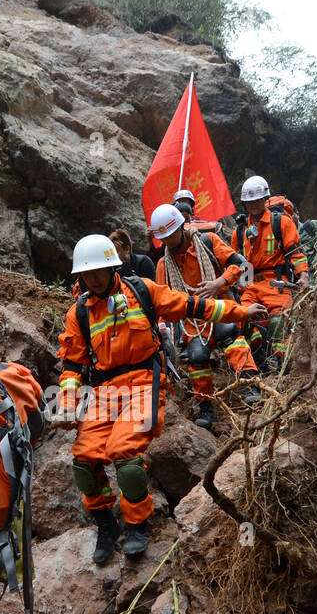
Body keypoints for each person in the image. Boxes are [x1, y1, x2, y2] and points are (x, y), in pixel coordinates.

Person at [57, 234, 266, 562]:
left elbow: (193, 305)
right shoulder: (79, 312)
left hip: (144, 382)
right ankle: (105, 523)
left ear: (113, 266)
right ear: (80, 276)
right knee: (83, 462)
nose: (94, 278)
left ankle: (138, 523)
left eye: (100, 271)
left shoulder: (142, 290)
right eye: (87, 274)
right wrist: (68, 402)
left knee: (125, 456)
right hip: (104, 390)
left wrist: (239, 312)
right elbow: (72, 364)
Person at [150, 203, 261, 429]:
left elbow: (238, 263)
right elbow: (162, 299)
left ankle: (251, 384)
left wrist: (218, 283)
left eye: (172, 234)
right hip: (193, 318)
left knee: (229, 334)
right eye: (165, 238)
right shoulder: (164, 263)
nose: (169, 241)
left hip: (221, 303)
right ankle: (205, 405)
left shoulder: (207, 242)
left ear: (182, 227)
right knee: (197, 355)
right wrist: (163, 329)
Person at [231, 175, 309, 372]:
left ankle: (282, 366)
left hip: (276, 282)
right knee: (241, 318)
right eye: (249, 202)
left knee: (279, 320)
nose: (253, 205)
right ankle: (258, 359)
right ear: (244, 203)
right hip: (250, 286)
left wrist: (303, 275)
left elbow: (295, 252)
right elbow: (236, 262)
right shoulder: (239, 231)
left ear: (265, 199)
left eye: (257, 200)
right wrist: (238, 289)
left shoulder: (280, 223)